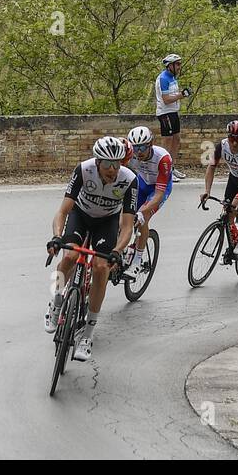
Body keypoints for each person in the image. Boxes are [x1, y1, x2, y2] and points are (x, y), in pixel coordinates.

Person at [44, 136, 137, 362]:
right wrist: (57, 237)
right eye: (107, 164)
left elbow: (127, 225)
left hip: (107, 222)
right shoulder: (84, 170)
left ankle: (87, 334)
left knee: (101, 267)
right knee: (71, 255)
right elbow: (63, 211)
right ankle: (56, 301)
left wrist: (118, 250)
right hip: (81, 215)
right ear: (97, 162)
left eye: (117, 164)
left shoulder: (129, 180)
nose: (113, 169)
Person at [201, 120, 238, 262]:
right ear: (228, 137)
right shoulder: (221, 147)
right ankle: (233, 245)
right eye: (232, 138)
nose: (234, 143)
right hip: (234, 178)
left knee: (236, 208)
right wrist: (207, 191)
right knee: (228, 215)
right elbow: (211, 168)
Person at [120, 125, 172, 272]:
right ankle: (123, 248)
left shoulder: (163, 158)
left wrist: (141, 211)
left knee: (142, 217)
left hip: (159, 188)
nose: (139, 152)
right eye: (135, 148)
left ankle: (137, 260)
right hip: (142, 183)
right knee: (123, 215)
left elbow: (158, 194)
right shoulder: (130, 154)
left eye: (142, 147)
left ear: (150, 145)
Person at [155, 53, 191, 179]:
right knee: (168, 142)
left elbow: (174, 95)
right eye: (177, 64)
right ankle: (163, 172)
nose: (180, 66)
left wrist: (181, 94)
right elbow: (166, 99)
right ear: (169, 65)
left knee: (176, 139)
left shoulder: (173, 77)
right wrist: (182, 94)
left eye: (180, 63)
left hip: (173, 112)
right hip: (165, 113)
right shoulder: (164, 78)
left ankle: (171, 167)